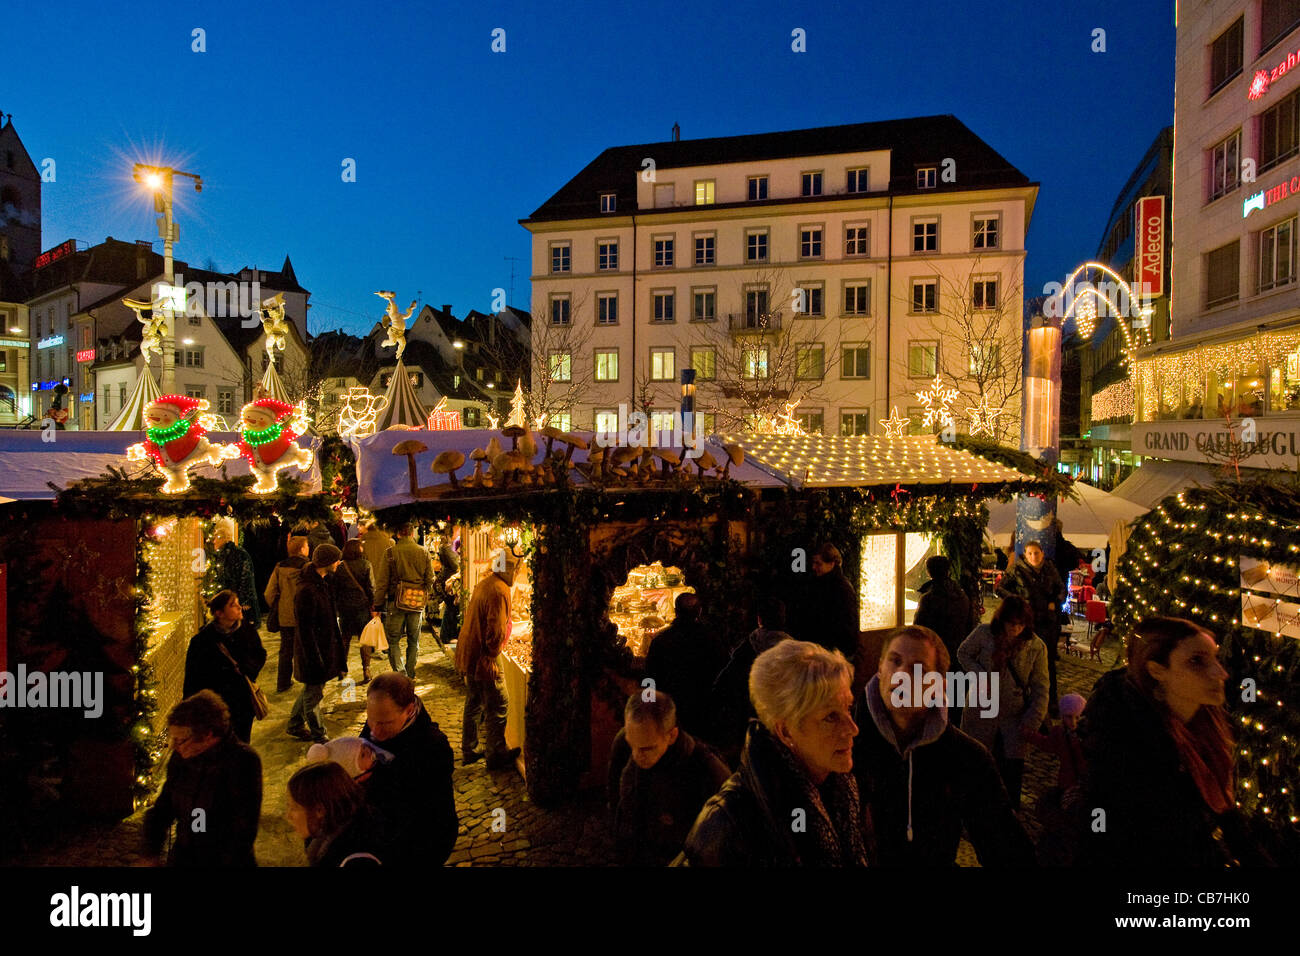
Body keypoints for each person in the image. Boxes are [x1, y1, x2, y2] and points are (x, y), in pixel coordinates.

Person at [1078, 616, 1266, 866]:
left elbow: (1227, 817)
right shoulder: (1126, 750)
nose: (1220, 672)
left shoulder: (1210, 727)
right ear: (1157, 670)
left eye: (1215, 658)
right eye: (1197, 662)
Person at [853, 625, 1035, 866]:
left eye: (918, 668)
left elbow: (1007, 848)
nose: (902, 675)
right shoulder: (847, 745)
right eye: (895, 661)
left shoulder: (965, 758)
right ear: (879, 667)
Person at [676, 640, 868, 867]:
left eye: (847, 708)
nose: (852, 729)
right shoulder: (732, 822)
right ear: (786, 731)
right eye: (830, 717)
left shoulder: (846, 793)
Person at [142, 690, 262, 866]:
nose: (174, 746)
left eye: (181, 740)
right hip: (184, 857)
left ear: (208, 735)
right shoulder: (181, 757)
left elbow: (243, 829)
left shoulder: (242, 761)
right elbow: (163, 808)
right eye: (173, 739)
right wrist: (150, 851)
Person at [609, 692, 730, 866]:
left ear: (671, 736)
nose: (636, 755)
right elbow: (615, 802)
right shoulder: (623, 744)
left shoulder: (708, 771)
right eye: (632, 744)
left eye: (646, 748)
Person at [957, 595, 1050, 808]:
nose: (1015, 628)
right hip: (981, 710)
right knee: (977, 759)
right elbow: (964, 653)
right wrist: (980, 674)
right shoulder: (984, 634)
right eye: (1011, 623)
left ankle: (1007, 811)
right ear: (1003, 620)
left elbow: (1041, 687)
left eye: (1020, 624)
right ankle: (974, 805)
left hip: (1014, 716)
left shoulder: (1035, 646)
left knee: (1011, 768)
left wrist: (1032, 720)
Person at [359, 673, 458, 865]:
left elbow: (418, 810)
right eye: (371, 719)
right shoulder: (379, 719)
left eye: (384, 723)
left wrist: (369, 778)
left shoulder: (433, 748)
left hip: (419, 847)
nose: (375, 731)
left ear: (409, 710)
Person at [456, 549, 521, 770]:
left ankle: (470, 749)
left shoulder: (487, 583)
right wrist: (492, 656)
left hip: (471, 650)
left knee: (474, 700)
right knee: (499, 702)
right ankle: (496, 753)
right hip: (482, 655)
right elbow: (496, 629)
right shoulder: (499, 589)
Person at [711, 595, 793, 760]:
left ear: (759, 619)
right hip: (785, 723)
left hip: (750, 722)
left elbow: (723, 683)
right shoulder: (795, 652)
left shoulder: (746, 649)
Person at [183, 589, 267, 743]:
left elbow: (260, 654)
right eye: (233, 605)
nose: (239, 607)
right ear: (219, 613)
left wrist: (247, 669)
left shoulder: (246, 629)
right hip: (217, 704)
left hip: (242, 702)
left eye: (238, 604)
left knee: (241, 740)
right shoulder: (202, 641)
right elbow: (192, 677)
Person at [997, 539, 1067, 715]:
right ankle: (1024, 700)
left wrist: (1055, 601)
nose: (1034, 556)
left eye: (1036, 553)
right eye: (1030, 553)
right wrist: (1018, 601)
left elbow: (1061, 588)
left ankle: (1050, 701)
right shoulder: (1017, 569)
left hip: (1047, 622)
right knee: (1024, 659)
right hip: (1027, 621)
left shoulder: (1050, 568)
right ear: (1025, 555)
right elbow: (1000, 589)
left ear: (1042, 553)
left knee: (1047, 661)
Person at [643, 592, 722, 740]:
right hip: (703, 709)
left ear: (675, 611)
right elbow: (721, 674)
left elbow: (650, 677)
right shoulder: (711, 639)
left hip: (671, 709)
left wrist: (649, 706)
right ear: (700, 611)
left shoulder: (661, 640)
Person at [287, 761, 391, 866]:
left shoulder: (357, 858)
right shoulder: (327, 834)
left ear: (320, 811)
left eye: (294, 807)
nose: (288, 816)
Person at [289, 543, 343, 744]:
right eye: (336, 559)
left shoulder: (322, 583)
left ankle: (294, 724)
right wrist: (315, 659)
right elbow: (305, 630)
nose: (339, 563)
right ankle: (319, 734)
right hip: (314, 654)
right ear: (327, 562)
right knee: (314, 696)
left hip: (323, 649)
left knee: (310, 690)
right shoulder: (307, 590)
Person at [373, 522, 433, 678]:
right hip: (416, 602)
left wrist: (377, 604)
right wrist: (423, 593)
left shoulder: (390, 553)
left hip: (395, 602)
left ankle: (400, 673)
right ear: (412, 534)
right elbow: (430, 579)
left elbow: (382, 582)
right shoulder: (424, 552)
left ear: (398, 534)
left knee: (393, 640)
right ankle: (410, 672)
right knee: (414, 639)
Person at [798, 543, 860, 664]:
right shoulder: (822, 584)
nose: (814, 567)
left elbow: (843, 626)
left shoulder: (840, 589)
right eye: (813, 563)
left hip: (834, 655)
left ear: (831, 564)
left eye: (818, 563)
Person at [913, 554, 973, 674]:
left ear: (929, 572)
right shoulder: (962, 595)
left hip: (935, 655)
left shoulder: (929, 598)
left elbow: (919, 627)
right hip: (958, 653)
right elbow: (969, 624)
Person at [265, 535, 310, 693]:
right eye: (307, 546)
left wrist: (278, 606)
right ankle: (306, 679)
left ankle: (282, 682)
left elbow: (269, 593)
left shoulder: (280, 567)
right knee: (306, 648)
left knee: (286, 650)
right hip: (304, 615)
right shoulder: (308, 567)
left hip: (285, 616)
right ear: (302, 549)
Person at [333, 539, 375, 682]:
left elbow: (335, 588)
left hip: (345, 607)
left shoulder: (340, 567)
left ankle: (342, 669)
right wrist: (374, 604)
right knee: (365, 639)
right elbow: (371, 587)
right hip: (362, 606)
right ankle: (366, 670)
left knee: (345, 638)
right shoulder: (366, 565)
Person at [211, 519, 261, 629]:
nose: (214, 541)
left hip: (238, 602)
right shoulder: (221, 556)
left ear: (223, 539)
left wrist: (245, 600)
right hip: (229, 601)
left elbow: (246, 577)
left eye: (216, 538)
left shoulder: (239, 554)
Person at [435, 542, 461, 651]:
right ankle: (447, 635)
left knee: (450, 607)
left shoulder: (445, 547)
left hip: (446, 577)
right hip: (449, 578)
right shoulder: (447, 548)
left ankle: (446, 634)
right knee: (451, 607)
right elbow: (455, 564)